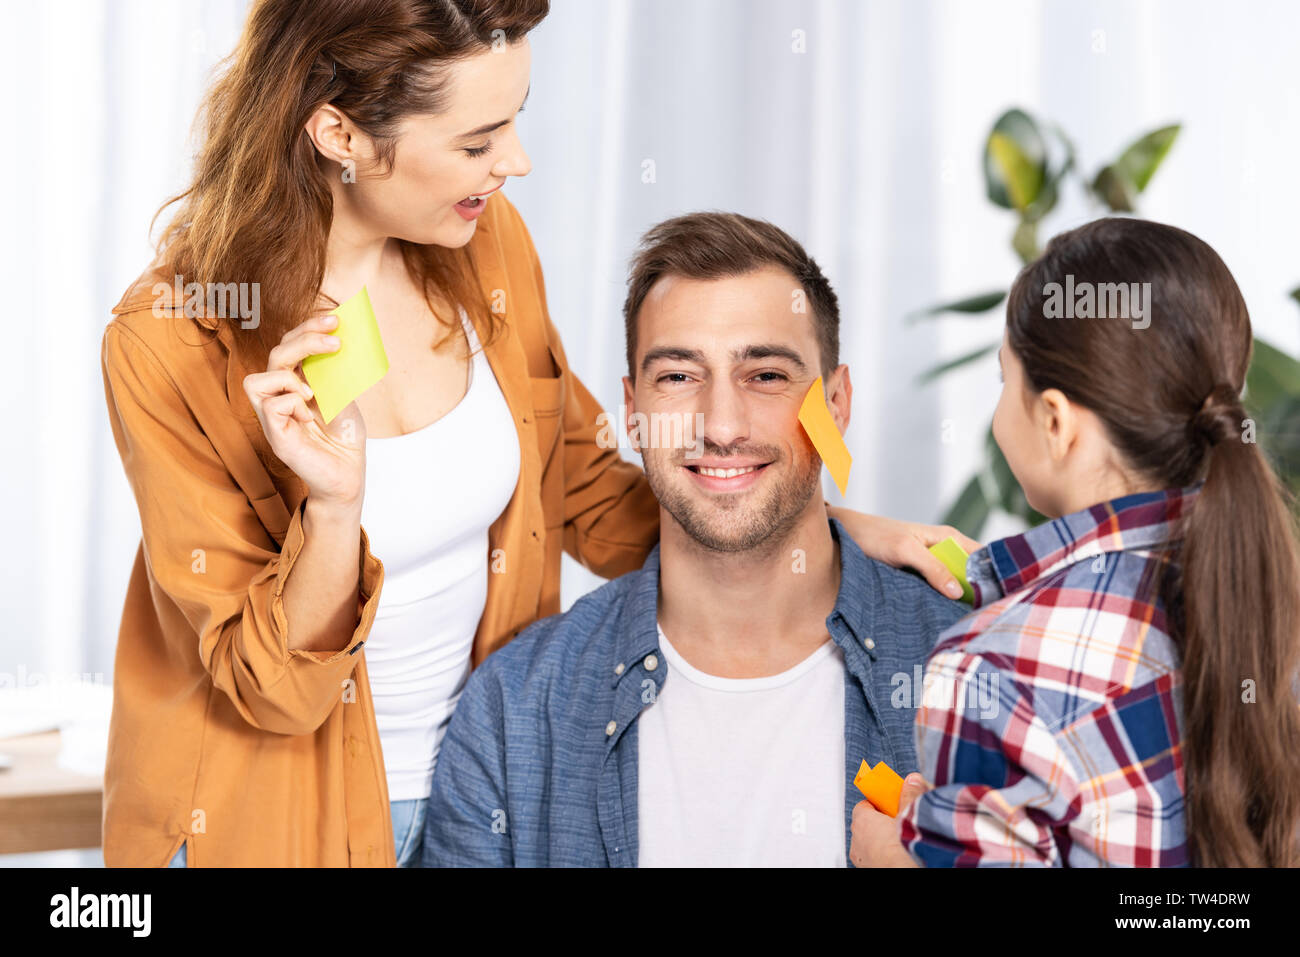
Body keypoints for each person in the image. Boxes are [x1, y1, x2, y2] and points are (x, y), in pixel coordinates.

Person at [102, 0, 972, 868]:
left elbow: (588, 489)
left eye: (514, 121)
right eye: (476, 144)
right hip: (274, 821)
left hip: (481, 785)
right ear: (341, 135)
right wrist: (333, 510)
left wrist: (817, 532)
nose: (514, 162)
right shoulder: (171, 339)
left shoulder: (480, 245)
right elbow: (272, 688)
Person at [421, 212, 970, 867]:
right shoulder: (516, 708)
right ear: (632, 411)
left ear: (837, 403)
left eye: (765, 374)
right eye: (679, 376)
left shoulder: (975, 672)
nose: (722, 425)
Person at [850, 217, 1300, 868]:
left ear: (1055, 421)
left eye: (1007, 381)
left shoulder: (989, 669)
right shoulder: (1262, 602)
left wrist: (896, 859)